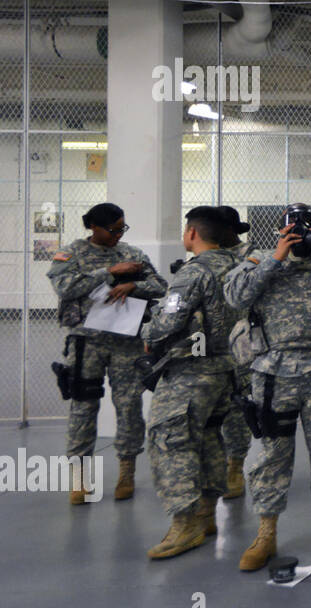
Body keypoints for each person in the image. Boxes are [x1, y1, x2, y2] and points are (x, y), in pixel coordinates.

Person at [224, 203, 311, 570]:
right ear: (281, 230)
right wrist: (277, 257)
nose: (302, 234)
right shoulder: (260, 259)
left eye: (308, 227)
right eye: (295, 228)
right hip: (273, 375)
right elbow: (236, 297)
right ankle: (266, 533)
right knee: (273, 456)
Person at [48, 202, 167, 504]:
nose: (118, 235)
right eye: (113, 229)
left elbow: (159, 286)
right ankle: (80, 480)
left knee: (128, 407)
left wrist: (131, 286)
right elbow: (66, 287)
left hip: (126, 344)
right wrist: (109, 271)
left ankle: (126, 472)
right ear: (93, 227)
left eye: (121, 229)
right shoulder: (71, 254)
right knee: (83, 407)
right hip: (86, 344)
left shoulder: (133, 254)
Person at [141, 207, 241, 559]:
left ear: (193, 234)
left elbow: (169, 319)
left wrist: (147, 333)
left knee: (170, 440)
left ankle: (184, 527)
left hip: (190, 373)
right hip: (226, 369)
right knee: (210, 438)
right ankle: (206, 517)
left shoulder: (193, 271)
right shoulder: (236, 267)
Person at [212, 206, 255, 500]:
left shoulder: (249, 256)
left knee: (237, 408)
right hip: (208, 345)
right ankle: (214, 468)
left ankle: (235, 467)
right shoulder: (205, 255)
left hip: (240, 345)